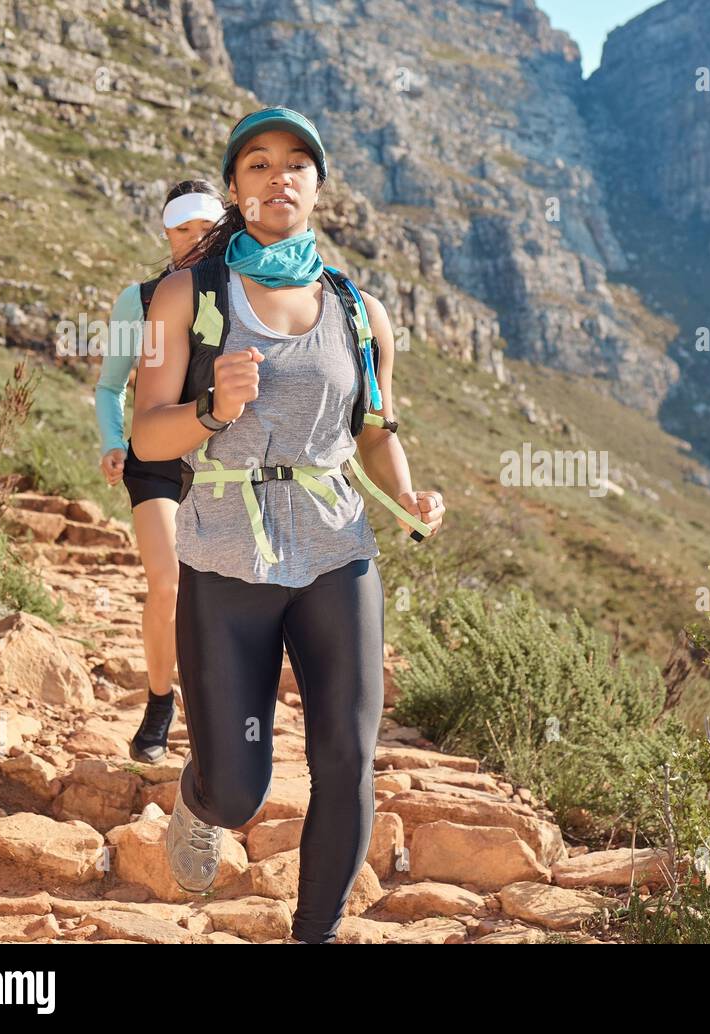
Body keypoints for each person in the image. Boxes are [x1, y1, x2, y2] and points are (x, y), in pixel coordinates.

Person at [131, 106, 446, 943]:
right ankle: (200, 801)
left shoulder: (357, 307)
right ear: (236, 188)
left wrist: (408, 494)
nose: (281, 177)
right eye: (260, 164)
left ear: (317, 186)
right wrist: (211, 406)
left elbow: (377, 429)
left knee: (346, 759)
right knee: (241, 787)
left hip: (337, 551)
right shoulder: (186, 295)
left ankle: (315, 932)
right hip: (224, 558)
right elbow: (148, 431)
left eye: (298, 163)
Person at [97, 180, 225, 765]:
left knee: (217, 591)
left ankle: (215, 711)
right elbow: (108, 385)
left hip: (220, 463)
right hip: (152, 459)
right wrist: (111, 442)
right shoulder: (141, 299)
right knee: (169, 581)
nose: (196, 241)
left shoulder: (243, 293)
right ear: (166, 233)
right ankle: (158, 702)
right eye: (183, 230)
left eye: (207, 229)